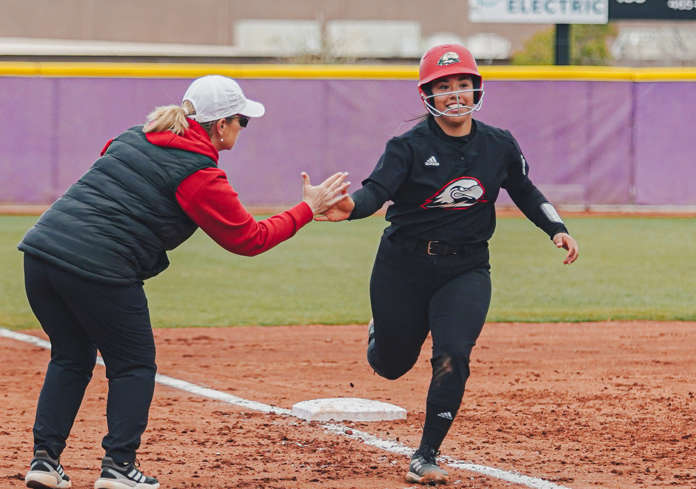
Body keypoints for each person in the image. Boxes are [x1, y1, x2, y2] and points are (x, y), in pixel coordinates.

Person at [19, 75, 350, 489]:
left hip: (40, 254)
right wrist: (307, 209)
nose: (242, 128)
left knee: (71, 356)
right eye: (241, 121)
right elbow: (249, 239)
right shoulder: (199, 172)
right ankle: (119, 467)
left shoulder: (133, 136)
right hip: (99, 266)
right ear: (220, 125)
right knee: (134, 365)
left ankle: (45, 461)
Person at [317, 44, 579, 485]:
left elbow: (524, 189)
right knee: (392, 366)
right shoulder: (407, 146)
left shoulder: (498, 143)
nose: (455, 94)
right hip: (403, 267)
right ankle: (380, 334)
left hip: (466, 268)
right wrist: (350, 208)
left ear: (476, 89)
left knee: (453, 355)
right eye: (444, 87)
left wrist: (556, 227)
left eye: (462, 84)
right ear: (427, 96)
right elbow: (375, 192)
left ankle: (425, 455)